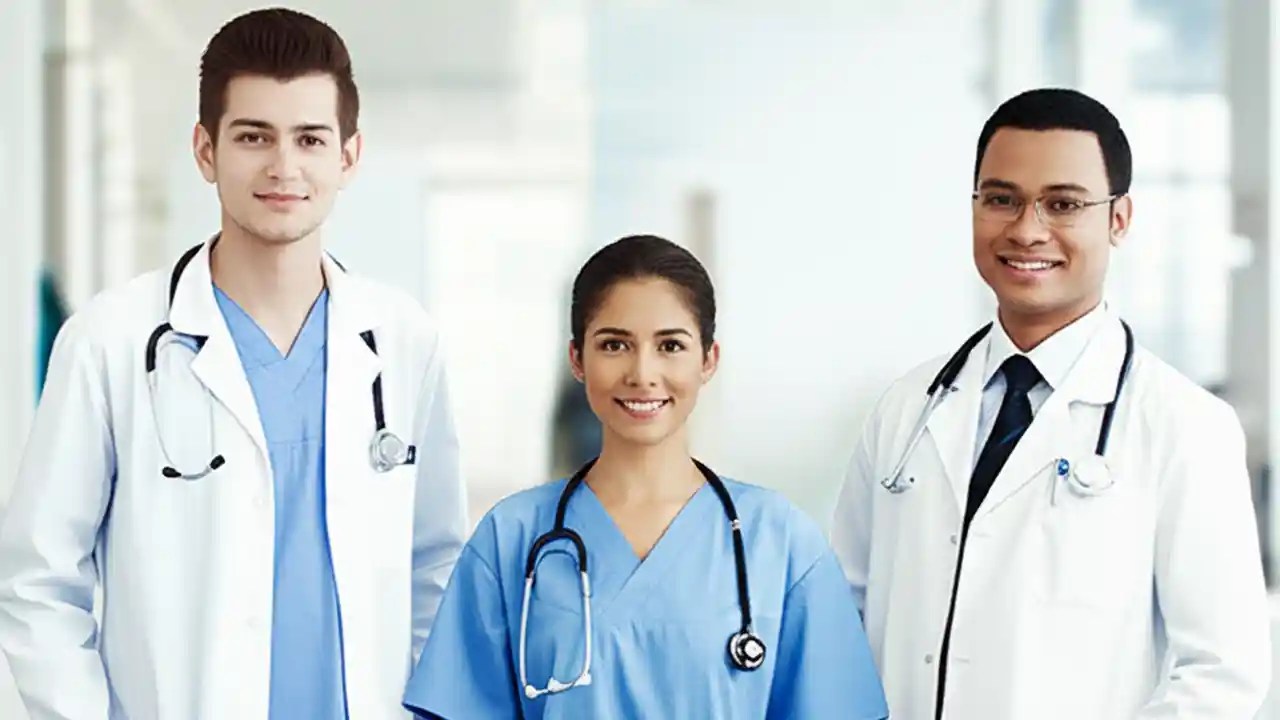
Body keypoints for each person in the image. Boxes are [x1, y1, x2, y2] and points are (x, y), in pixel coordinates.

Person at [0, 8, 467, 719]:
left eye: (310, 139)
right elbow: (38, 581)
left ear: (348, 155)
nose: (284, 167)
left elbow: (437, 566)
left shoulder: (403, 341)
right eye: (254, 137)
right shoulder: (111, 342)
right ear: (205, 150)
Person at [830, 87, 1271, 719]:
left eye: (1062, 204)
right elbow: (843, 618)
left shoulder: (1185, 426)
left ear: (1119, 219)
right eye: (1001, 199)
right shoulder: (906, 409)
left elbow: (1222, 674)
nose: (1026, 230)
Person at [402, 235, 888, 719]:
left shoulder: (781, 542)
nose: (642, 372)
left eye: (670, 345)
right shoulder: (510, 539)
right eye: (615, 344)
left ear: (708, 360)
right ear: (577, 359)